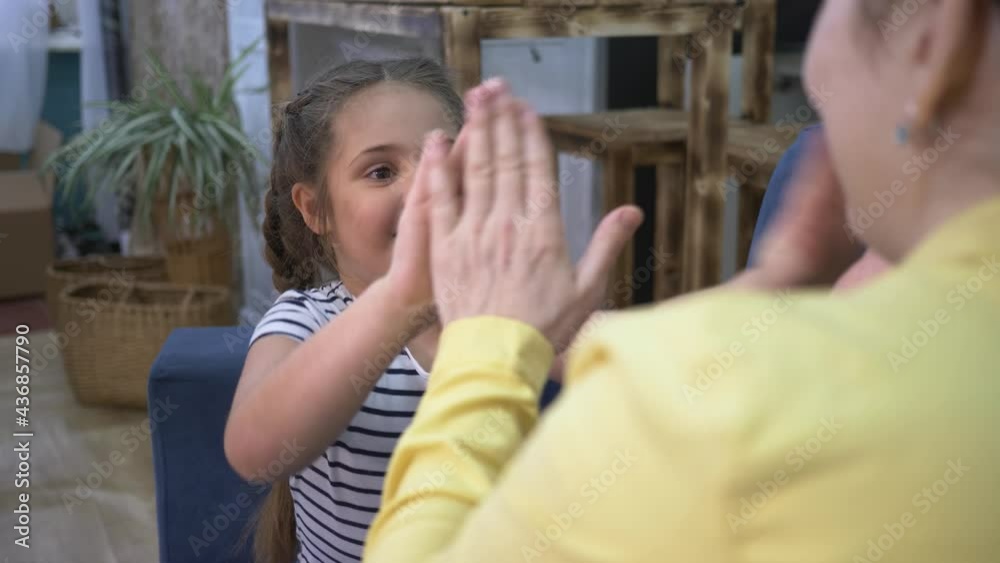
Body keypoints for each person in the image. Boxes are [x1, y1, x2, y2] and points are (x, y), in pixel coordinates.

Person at [363, 1, 1000, 562]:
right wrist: (765, 299)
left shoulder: (690, 402)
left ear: (939, 36)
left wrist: (484, 345)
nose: (815, 73)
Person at [222, 60, 632, 563]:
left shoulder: (496, 313)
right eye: (381, 171)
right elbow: (255, 451)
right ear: (315, 210)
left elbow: (648, 362)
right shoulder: (307, 319)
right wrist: (403, 301)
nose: (426, 188)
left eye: (447, 164)